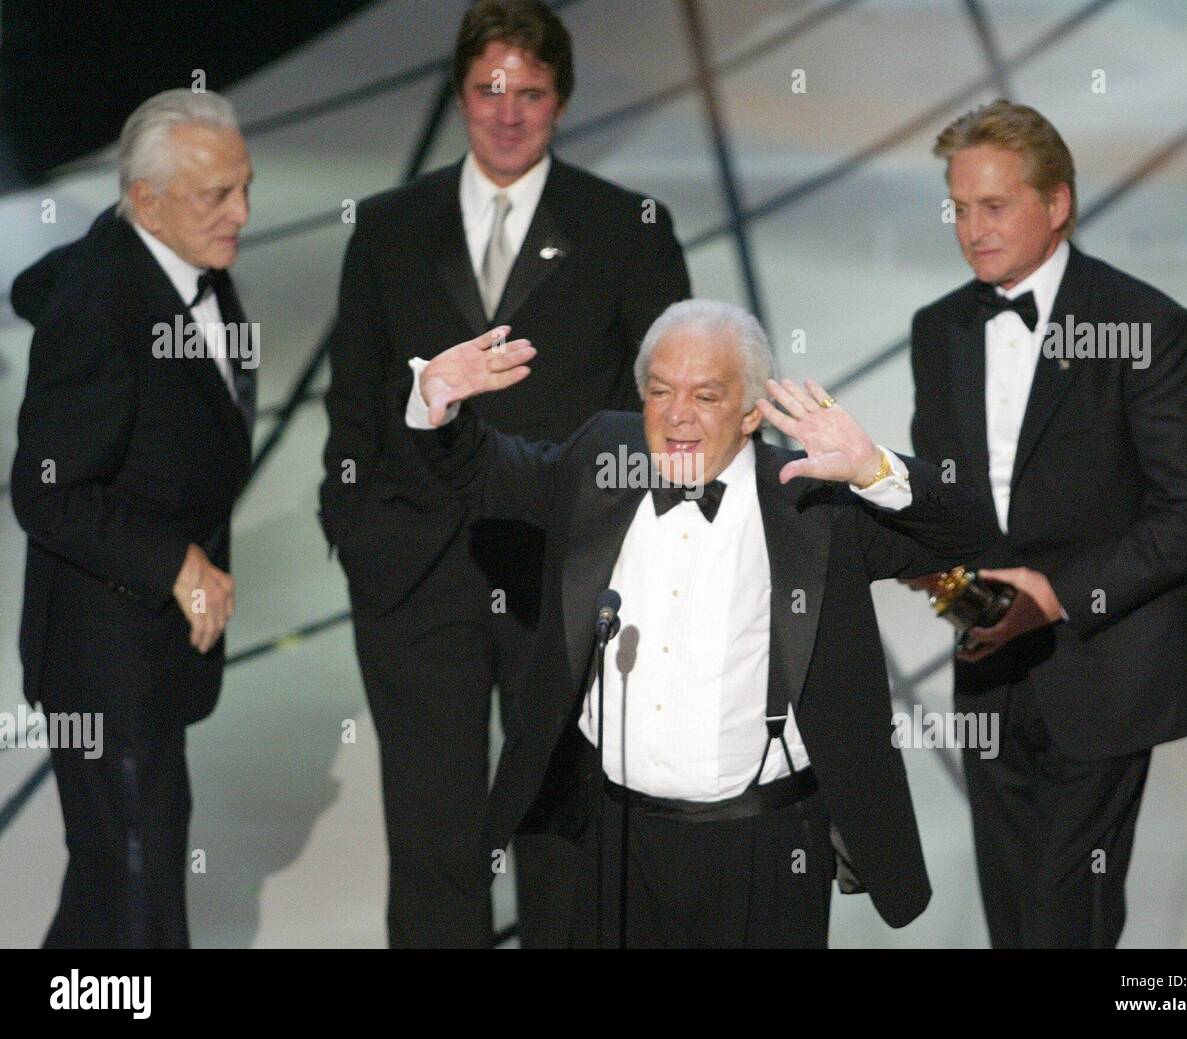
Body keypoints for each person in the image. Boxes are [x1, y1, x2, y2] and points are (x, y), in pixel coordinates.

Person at [401, 299, 995, 948]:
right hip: (615, 834)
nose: (677, 414)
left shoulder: (811, 501)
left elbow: (969, 530)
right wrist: (438, 405)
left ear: (750, 412)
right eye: (660, 391)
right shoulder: (605, 455)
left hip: (765, 845)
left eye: (706, 395)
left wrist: (877, 470)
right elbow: (492, 475)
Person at [318, 0, 690, 948]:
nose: (508, 110)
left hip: (560, 577)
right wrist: (356, 530)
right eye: (489, 88)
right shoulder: (392, 227)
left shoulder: (627, 228)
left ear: (561, 100)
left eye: (530, 91)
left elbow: (670, 408)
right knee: (432, 835)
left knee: (561, 827)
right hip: (414, 574)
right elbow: (353, 399)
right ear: (459, 95)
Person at [904, 99, 1187, 947]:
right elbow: (946, 498)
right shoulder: (938, 329)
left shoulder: (1149, 326)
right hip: (989, 666)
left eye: (996, 205)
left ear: (1058, 203)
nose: (974, 229)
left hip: (1107, 664)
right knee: (1015, 916)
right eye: (961, 207)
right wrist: (905, 539)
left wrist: (1056, 596)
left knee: (1064, 914)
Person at [9, 88, 256, 947]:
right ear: (144, 201)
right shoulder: (98, 311)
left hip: (150, 654)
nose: (242, 215)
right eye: (215, 196)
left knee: (113, 882)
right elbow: (45, 491)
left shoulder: (163, 260)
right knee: (139, 889)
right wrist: (178, 564)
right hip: (102, 657)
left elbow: (29, 281)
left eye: (243, 188)